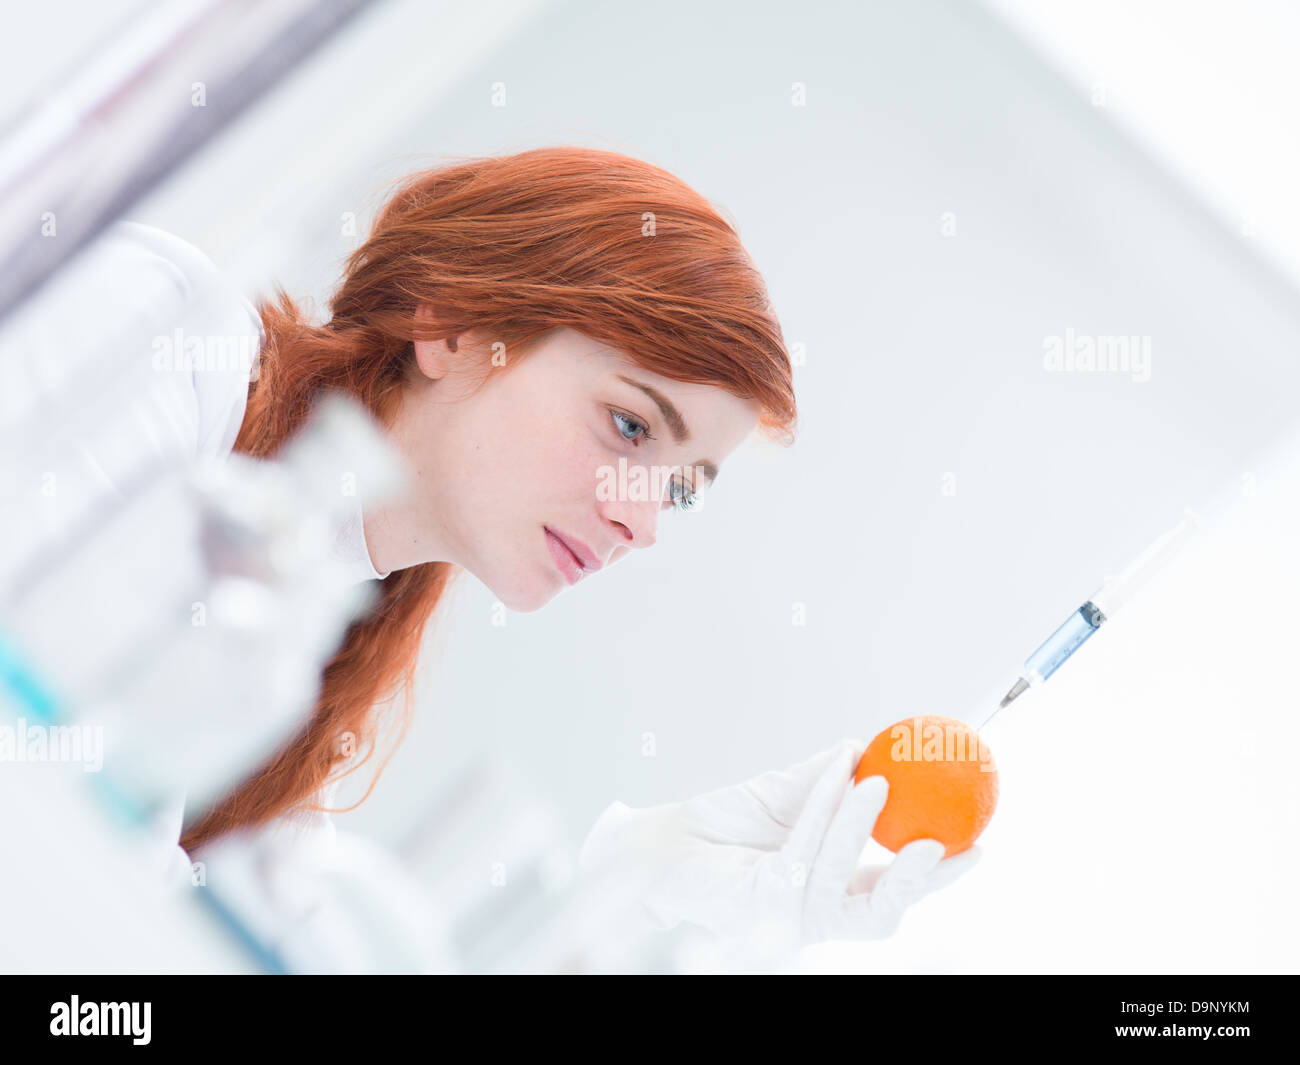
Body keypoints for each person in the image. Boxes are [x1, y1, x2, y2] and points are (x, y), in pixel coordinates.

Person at [9, 146, 981, 950]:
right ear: (452, 324)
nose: (643, 522)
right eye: (631, 429)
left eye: (681, 488)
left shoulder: (314, 665)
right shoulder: (164, 333)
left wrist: (629, 898)